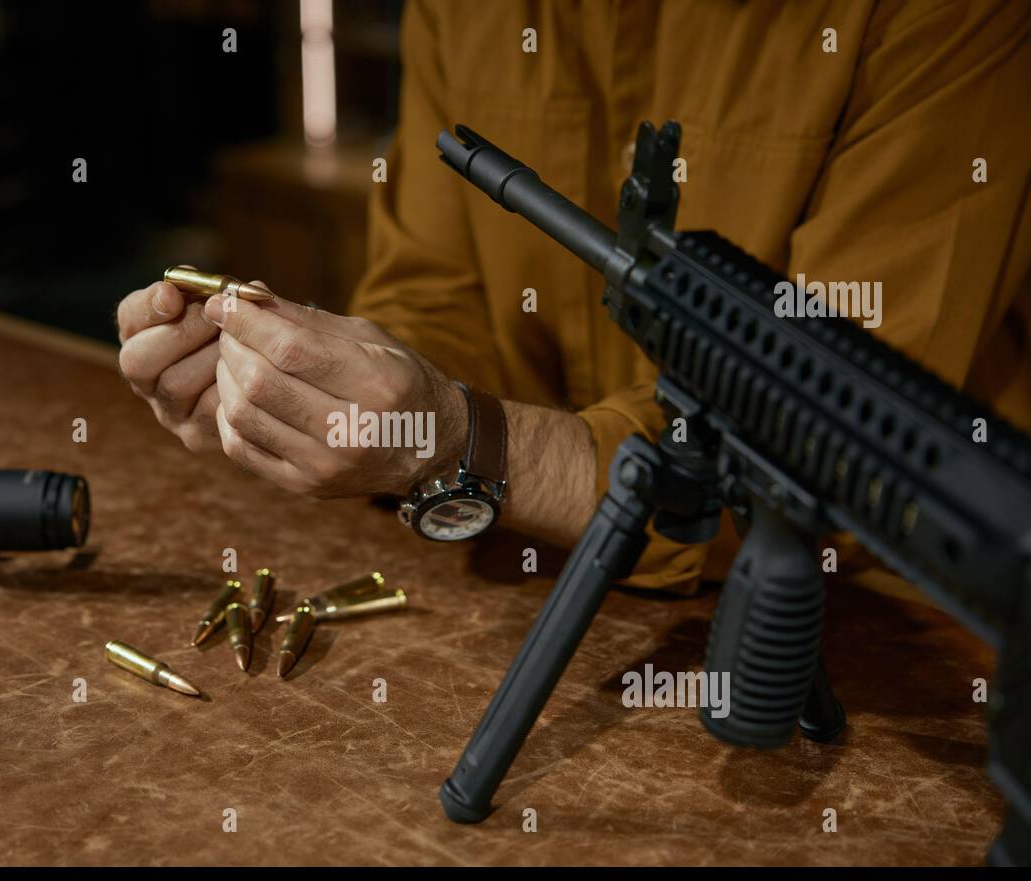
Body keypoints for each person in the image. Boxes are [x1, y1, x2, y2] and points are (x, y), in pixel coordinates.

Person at [116, 0, 1031, 593]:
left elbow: (842, 435)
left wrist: (470, 443)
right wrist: (322, 387)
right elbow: (437, 300)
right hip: (538, 565)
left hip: (894, 621)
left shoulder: (943, 14)